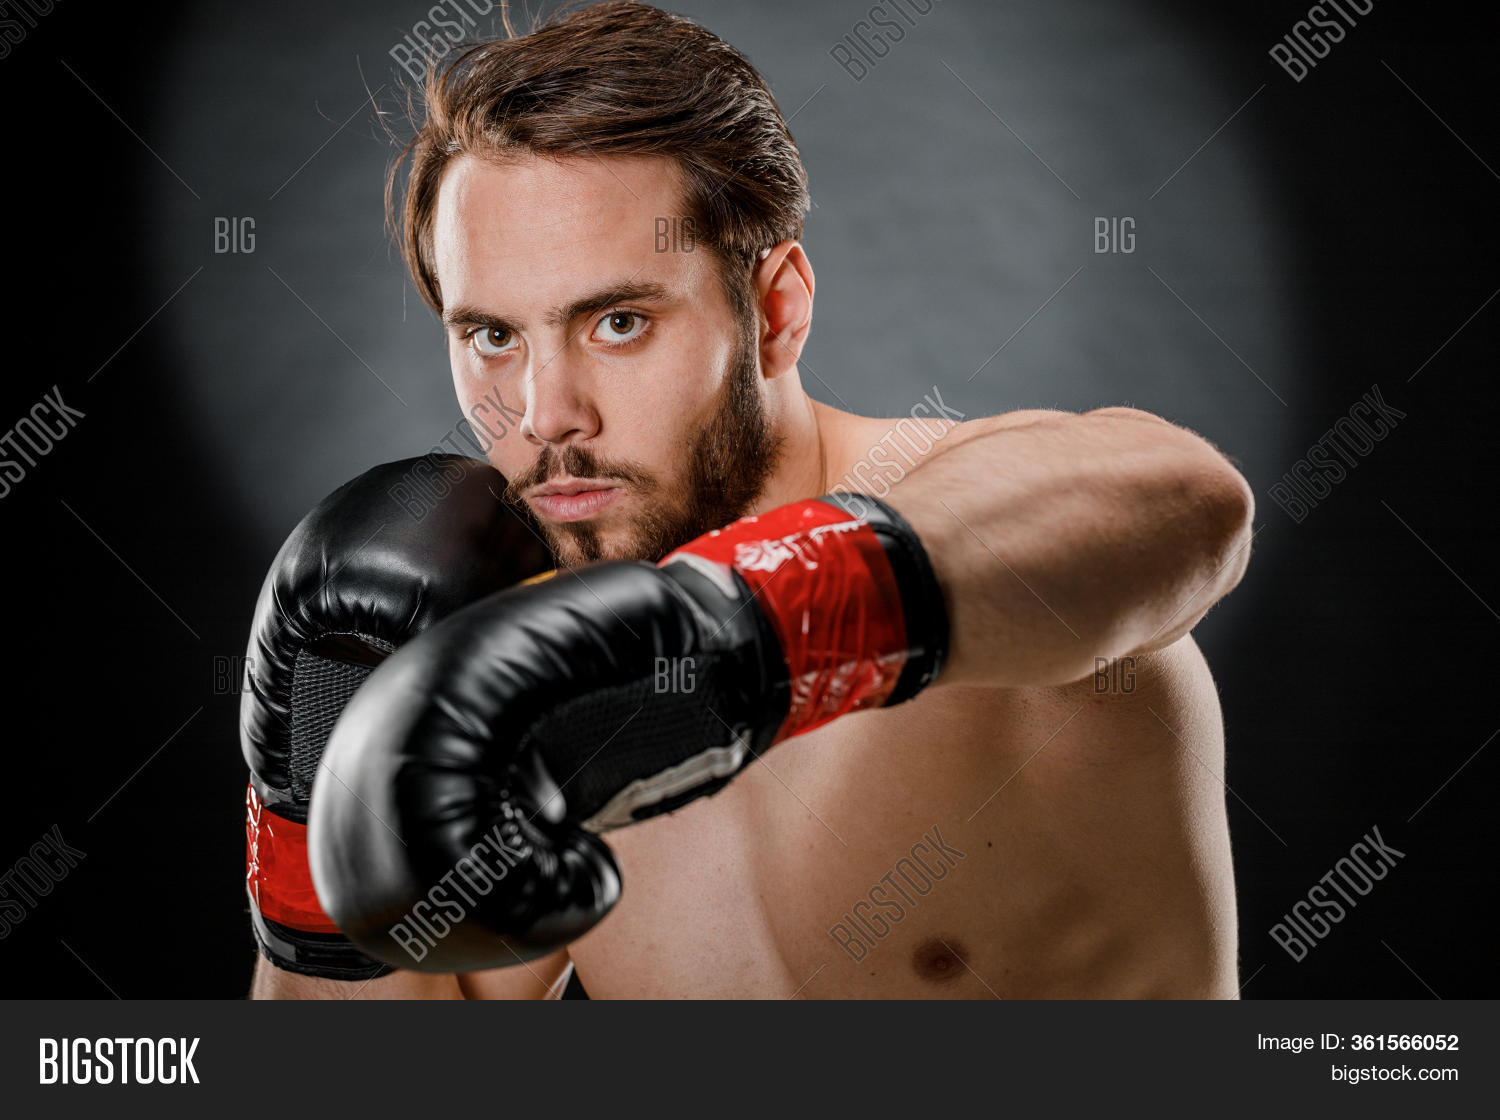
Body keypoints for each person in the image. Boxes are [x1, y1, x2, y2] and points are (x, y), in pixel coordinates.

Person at [245, 0, 1254, 1000]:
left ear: (776, 310)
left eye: (620, 321)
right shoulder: (529, 668)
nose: (546, 414)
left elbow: (1186, 499)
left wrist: (743, 628)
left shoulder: (985, 564)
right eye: (493, 336)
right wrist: (314, 811)